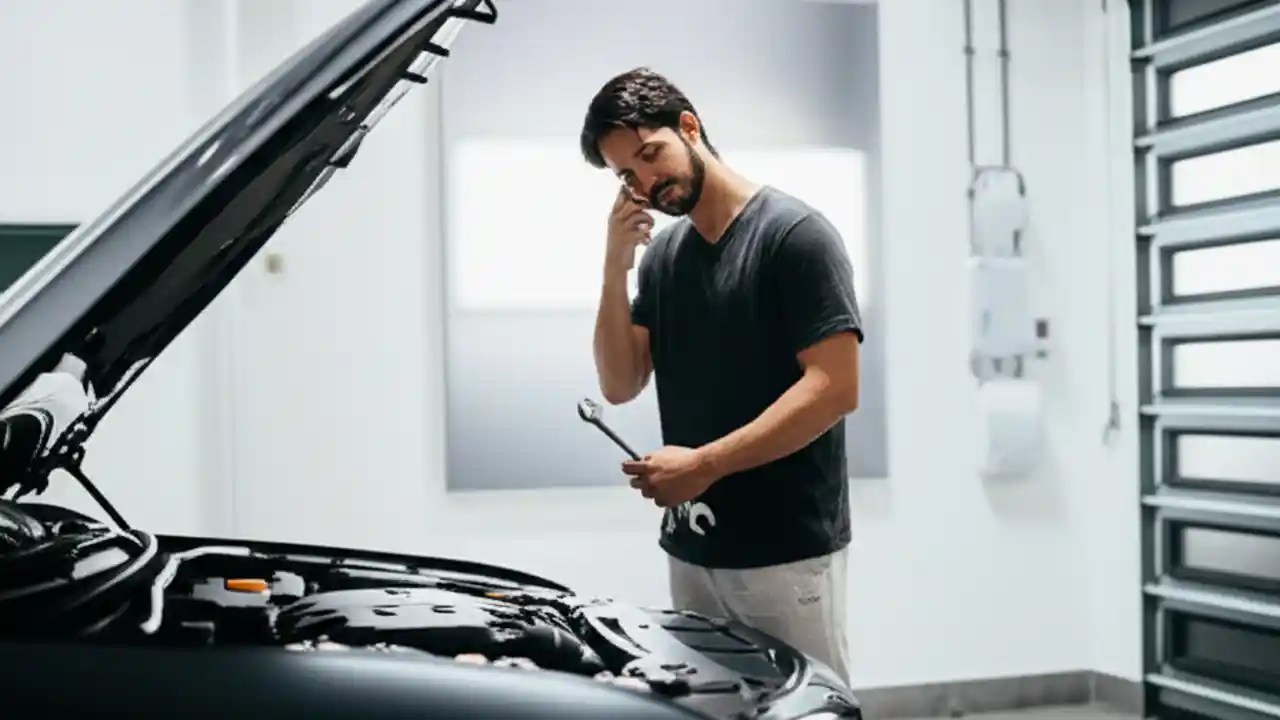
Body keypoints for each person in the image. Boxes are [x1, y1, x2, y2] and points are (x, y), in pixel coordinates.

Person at [579, 67, 865, 683]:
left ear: (690, 127)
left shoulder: (795, 237)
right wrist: (614, 265)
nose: (646, 181)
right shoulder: (664, 259)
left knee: (805, 707)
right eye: (626, 174)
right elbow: (619, 383)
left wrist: (703, 465)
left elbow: (835, 388)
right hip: (693, 547)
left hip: (786, 554)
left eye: (650, 154)